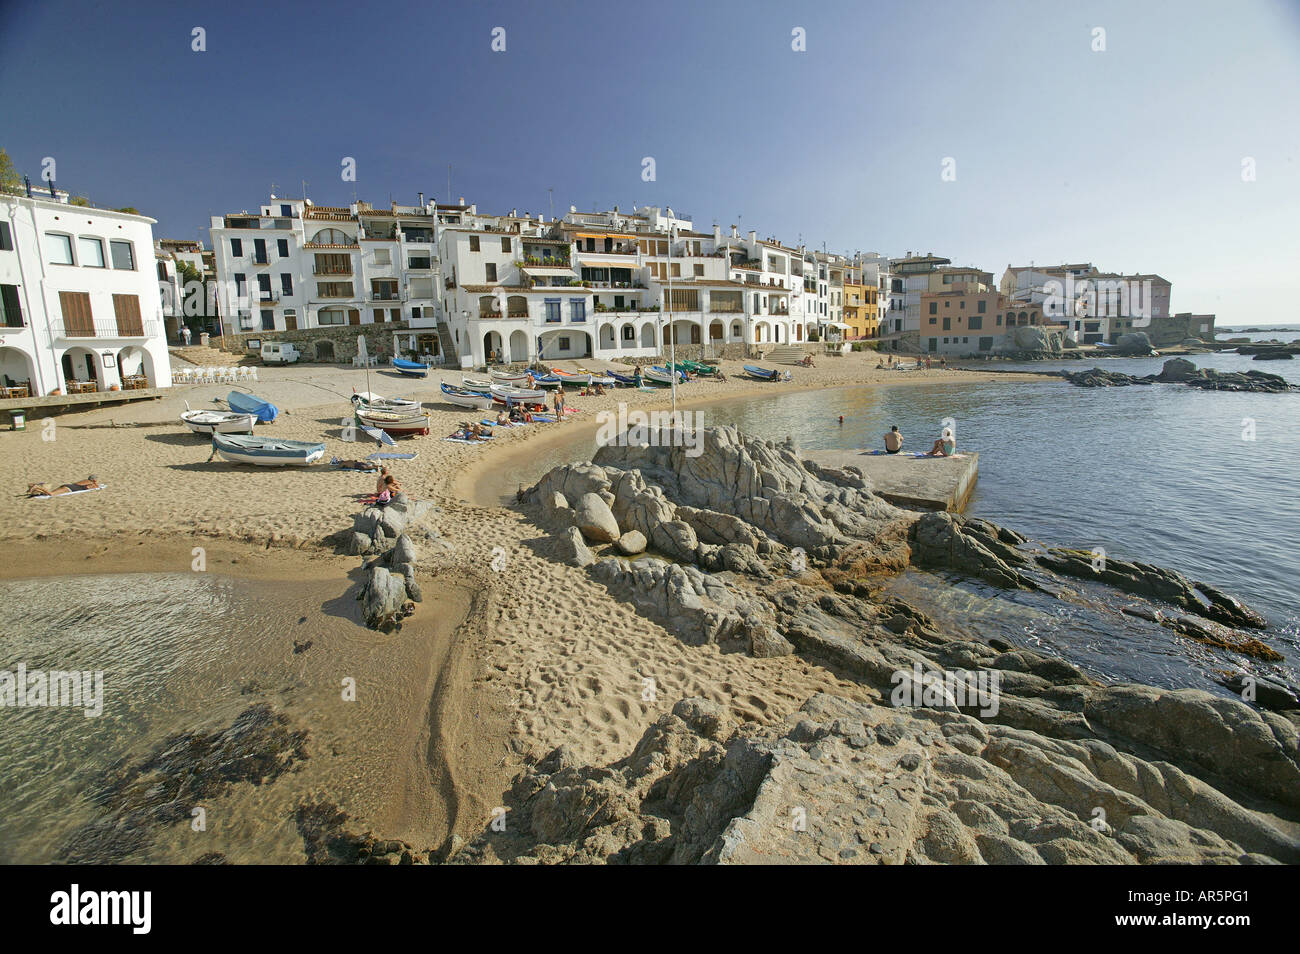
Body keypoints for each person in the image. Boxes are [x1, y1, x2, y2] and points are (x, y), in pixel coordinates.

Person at [26, 475, 102, 497]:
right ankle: (37, 487)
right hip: (70, 489)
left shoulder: (84, 481)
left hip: (68, 485)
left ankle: (37, 490)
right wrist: (96, 485)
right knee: (51, 494)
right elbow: (96, 487)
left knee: (50, 493)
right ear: (94, 480)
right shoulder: (92, 484)